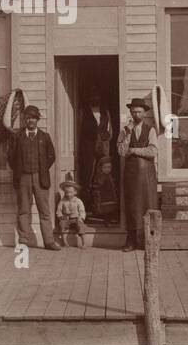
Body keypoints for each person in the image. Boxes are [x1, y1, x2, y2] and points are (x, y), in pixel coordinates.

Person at [7, 104, 62, 251]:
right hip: (23, 177)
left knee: (44, 211)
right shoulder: (17, 136)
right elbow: (10, 157)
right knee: (24, 209)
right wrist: (19, 170)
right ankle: (24, 240)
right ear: (25, 119)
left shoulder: (44, 137)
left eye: (33, 118)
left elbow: (52, 156)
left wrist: (42, 169)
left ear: (37, 119)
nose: (31, 120)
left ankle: (49, 241)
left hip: (40, 178)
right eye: (28, 117)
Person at [117, 96, 159, 252]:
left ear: (144, 113)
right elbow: (121, 151)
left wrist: (134, 150)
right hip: (131, 174)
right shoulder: (124, 130)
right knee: (132, 206)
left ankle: (148, 241)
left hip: (147, 174)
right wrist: (127, 135)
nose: (136, 115)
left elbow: (153, 151)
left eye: (139, 112)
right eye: (133, 112)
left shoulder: (151, 130)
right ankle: (131, 241)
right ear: (130, 112)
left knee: (148, 205)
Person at [76, 88, 112, 221]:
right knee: (88, 176)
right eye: (92, 96)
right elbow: (78, 131)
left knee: (102, 176)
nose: (95, 98)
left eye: (97, 96)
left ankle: (102, 210)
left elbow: (110, 131)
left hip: (102, 147)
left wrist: (104, 144)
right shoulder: (82, 112)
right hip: (88, 147)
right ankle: (87, 209)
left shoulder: (105, 112)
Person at [56, 172, 94, 248]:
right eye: (67, 192)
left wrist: (81, 218)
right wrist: (61, 217)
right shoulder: (62, 201)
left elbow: (82, 211)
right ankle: (65, 242)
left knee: (81, 226)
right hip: (66, 219)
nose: (68, 194)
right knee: (62, 224)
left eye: (70, 192)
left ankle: (84, 243)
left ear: (75, 192)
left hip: (76, 218)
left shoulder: (78, 201)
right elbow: (59, 211)